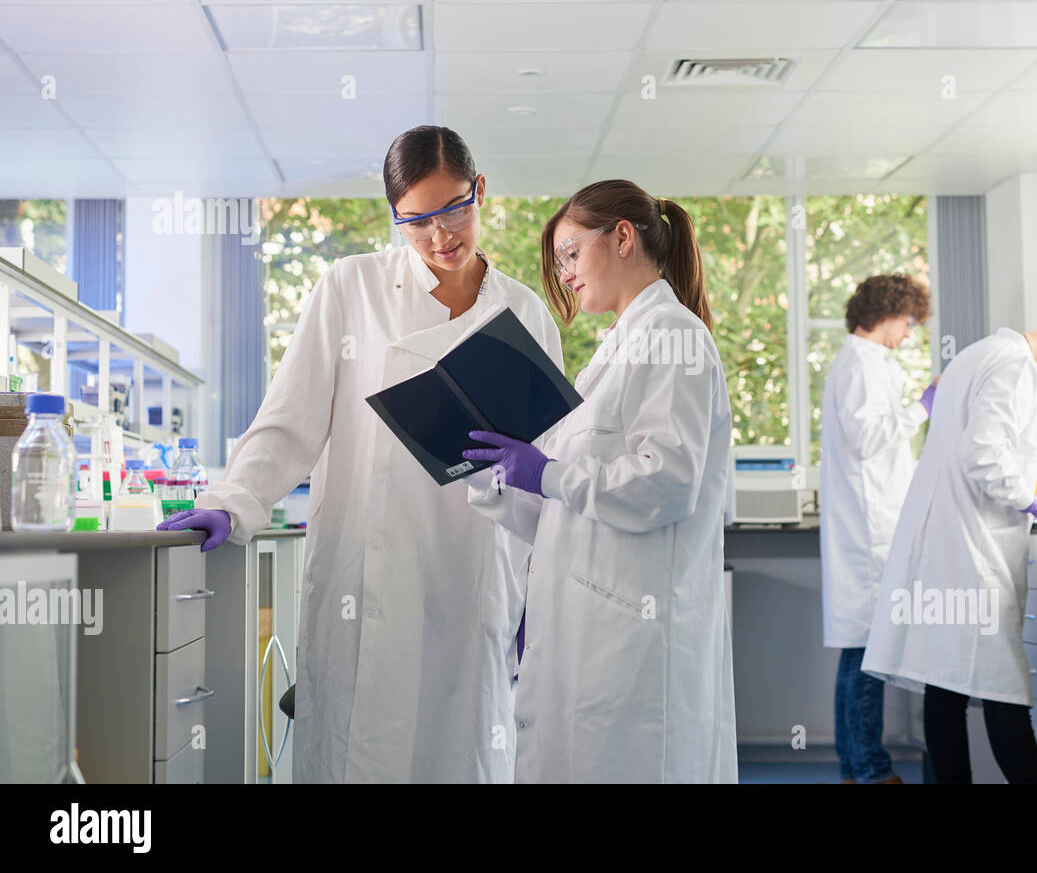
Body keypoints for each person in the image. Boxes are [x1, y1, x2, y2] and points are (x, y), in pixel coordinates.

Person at [158, 126, 562, 782]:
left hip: (476, 574)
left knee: (464, 752)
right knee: (363, 754)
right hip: (371, 581)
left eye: (455, 209)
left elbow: (543, 462)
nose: (441, 237)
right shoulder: (351, 288)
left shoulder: (525, 313)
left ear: (480, 190)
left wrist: (541, 592)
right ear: (394, 219)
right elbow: (289, 420)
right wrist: (232, 503)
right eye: (416, 221)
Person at [460, 179, 737, 783]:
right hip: (583, 636)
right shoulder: (609, 358)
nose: (563, 274)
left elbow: (666, 482)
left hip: (632, 644)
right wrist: (496, 480)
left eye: (569, 254)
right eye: (558, 262)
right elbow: (560, 511)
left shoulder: (675, 337)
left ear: (622, 238)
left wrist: (549, 473)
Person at [862, 307, 1037, 784]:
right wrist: (1034, 500)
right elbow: (983, 452)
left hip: (948, 545)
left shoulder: (982, 353)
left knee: (947, 690)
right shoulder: (1013, 365)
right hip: (968, 551)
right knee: (1005, 693)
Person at [820, 274, 935, 785]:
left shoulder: (864, 362)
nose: (909, 333)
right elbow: (869, 439)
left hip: (869, 528)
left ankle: (855, 768)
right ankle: (871, 770)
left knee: (858, 656)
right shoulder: (862, 364)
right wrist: (924, 407)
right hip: (869, 534)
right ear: (889, 312)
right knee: (867, 657)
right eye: (909, 322)